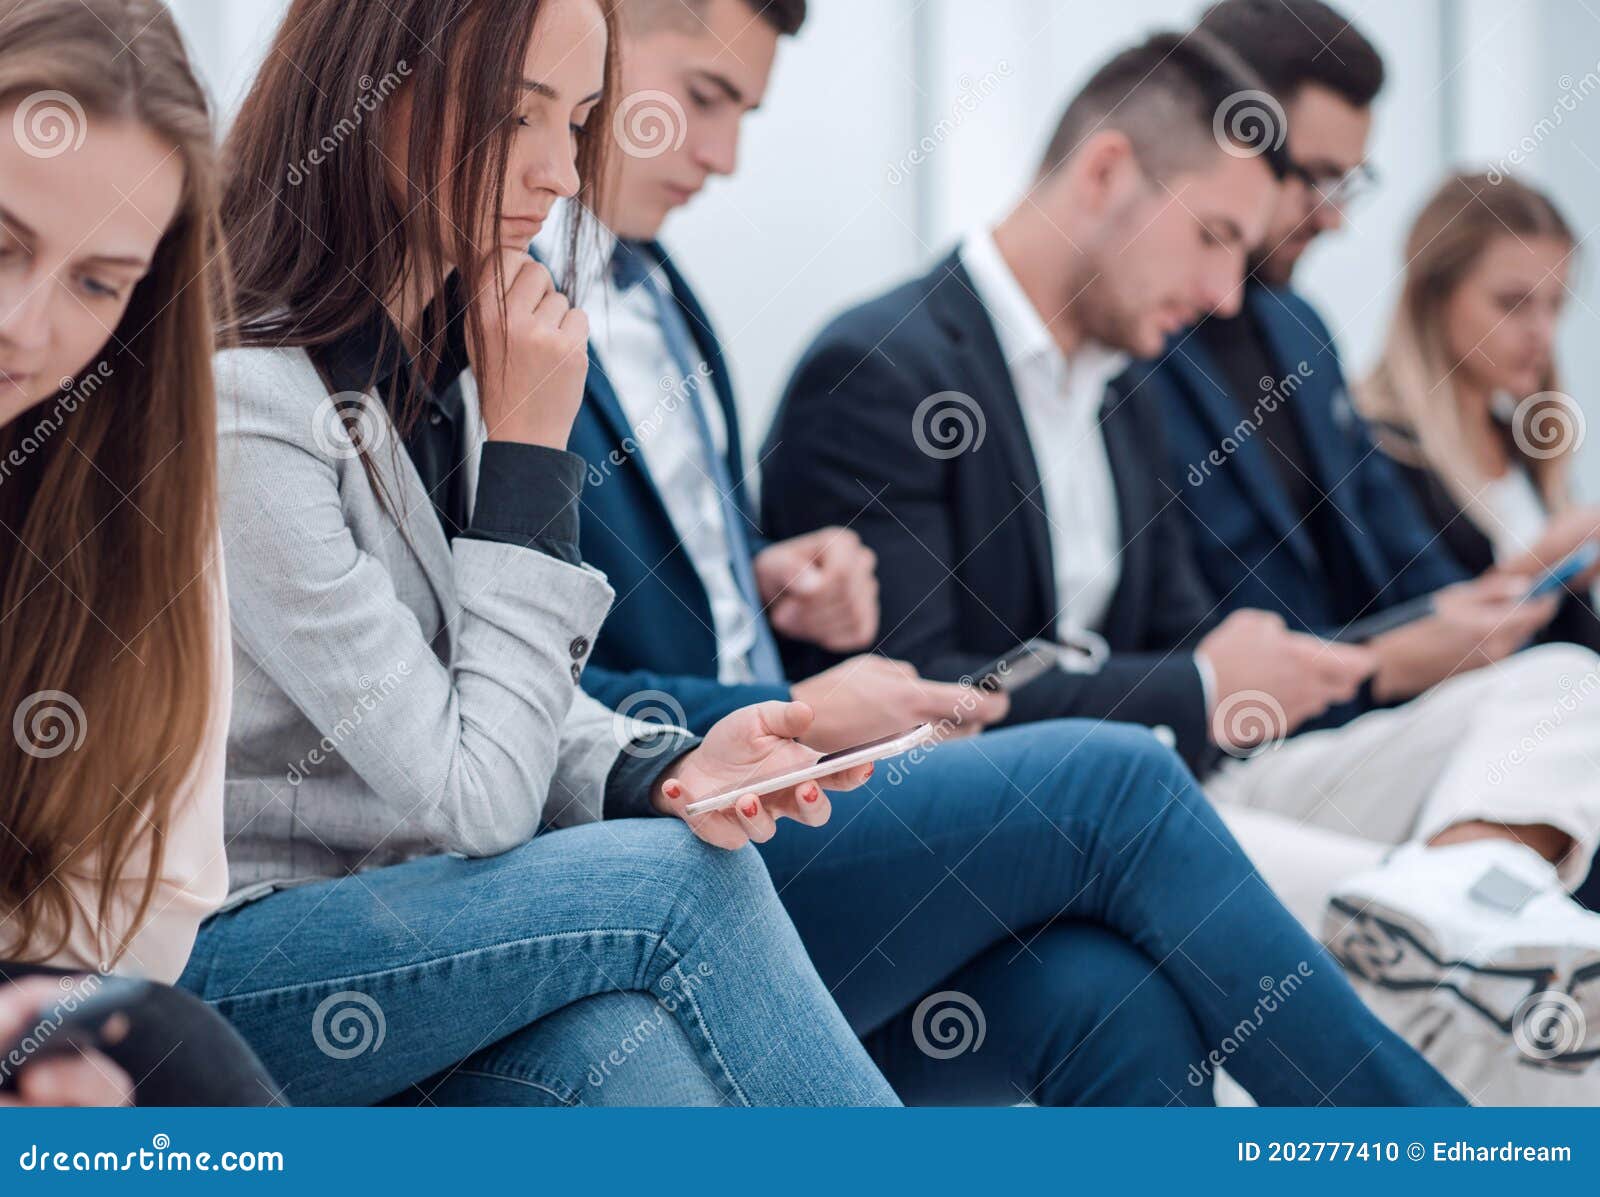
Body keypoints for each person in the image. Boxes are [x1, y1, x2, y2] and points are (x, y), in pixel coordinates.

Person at [552, 0, 1466, 1107]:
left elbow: (660, 581)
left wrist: (769, 578)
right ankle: (1448, 1150)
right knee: (1116, 784)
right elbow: (514, 669)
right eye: (704, 100)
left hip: (779, 792)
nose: (725, 156)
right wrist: (1210, 685)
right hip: (688, 812)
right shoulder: (866, 360)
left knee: (1110, 1000)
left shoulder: (660, 293)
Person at [761, 2, 1600, 1099]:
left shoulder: (1122, 393)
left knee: (1562, 689)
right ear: (1105, 172)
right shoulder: (886, 366)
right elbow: (923, 704)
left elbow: (1173, 642)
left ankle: (1467, 894)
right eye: (1211, 237)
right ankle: (1461, 962)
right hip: (1072, 819)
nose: (1221, 292)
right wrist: (1202, 682)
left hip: (1207, 775)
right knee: (1524, 982)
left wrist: (1253, 667)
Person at [180, 0, 901, 1109]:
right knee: (678, 884)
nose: (562, 174)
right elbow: (471, 796)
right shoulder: (250, 403)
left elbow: (464, 686)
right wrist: (527, 459)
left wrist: (658, 766)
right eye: (517, 118)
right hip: (225, 963)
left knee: (621, 1056)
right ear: (369, 97)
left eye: (579, 122)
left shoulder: (442, 359)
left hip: (396, 931)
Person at [0, 0, 278, 1107]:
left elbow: (146, 905)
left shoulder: (130, 488)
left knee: (146, 1047)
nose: (26, 327)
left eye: (97, 283)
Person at [1358, 171, 1600, 654]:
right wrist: (1540, 563)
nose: (1542, 334)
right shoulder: (1375, 452)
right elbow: (1410, 644)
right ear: (1434, 298)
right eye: (1513, 304)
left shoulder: (1525, 447)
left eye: (1554, 306)